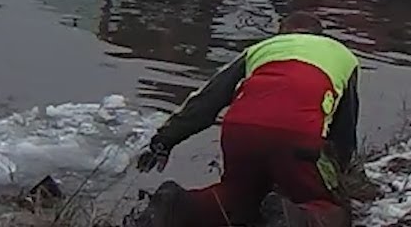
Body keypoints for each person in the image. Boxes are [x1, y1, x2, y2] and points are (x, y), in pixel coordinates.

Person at [132, 13, 360, 227]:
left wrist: (165, 140)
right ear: (321, 35)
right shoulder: (342, 55)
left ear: (280, 34)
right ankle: (294, 216)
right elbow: (344, 128)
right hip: (297, 135)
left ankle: (175, 205)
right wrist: (339, 172)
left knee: (236, 198)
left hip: (239, 130)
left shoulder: (261, 49)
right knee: (332, 209)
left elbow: (207, 100)